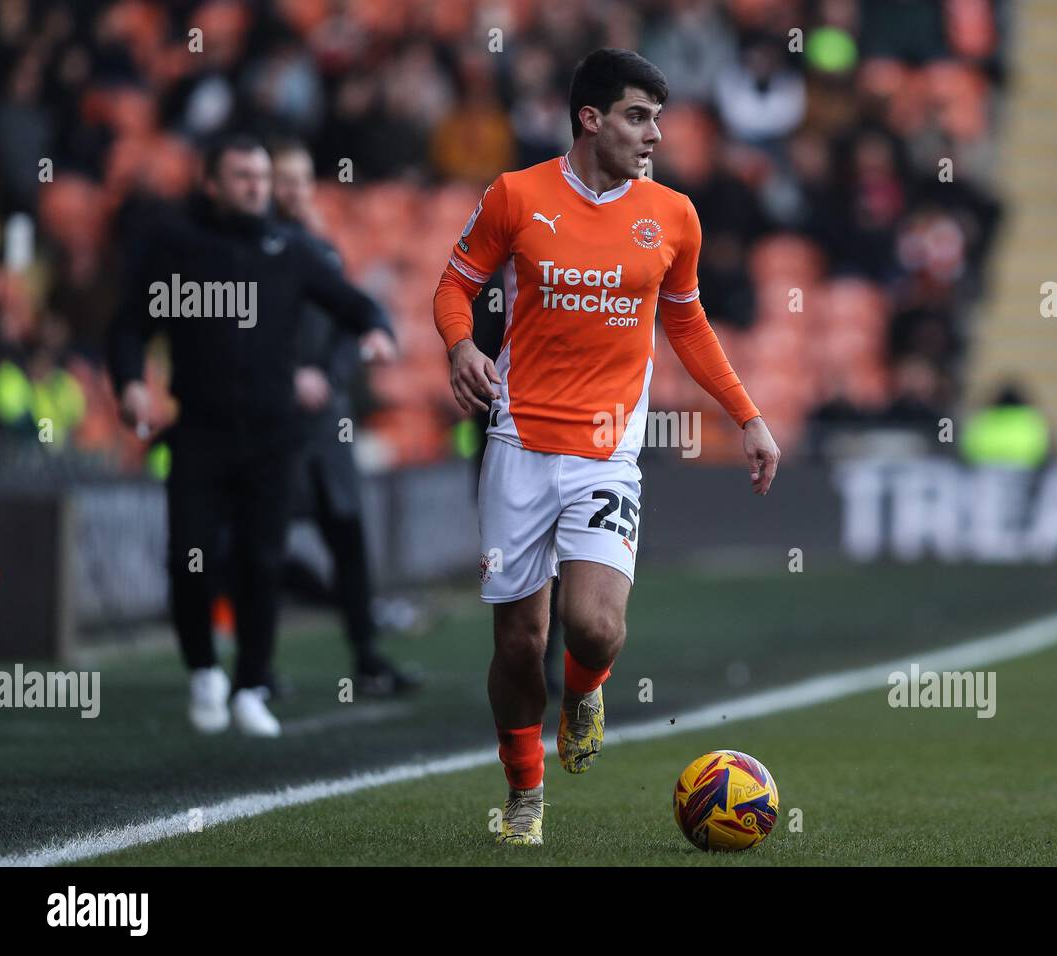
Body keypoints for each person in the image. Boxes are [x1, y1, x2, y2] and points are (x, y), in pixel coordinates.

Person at [432, 48, 780, 846]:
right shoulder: (516, 196)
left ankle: (586, 693)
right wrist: (460, 346)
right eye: (638, 116)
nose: (654, 134)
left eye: (657, 118)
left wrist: (747, 415)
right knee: (519, 643)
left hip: (606, 451)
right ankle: (525, 797)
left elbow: (686, 322)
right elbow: (456, 284)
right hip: (518, 442)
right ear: (590, 119)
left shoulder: (675, 215)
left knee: (595, 629)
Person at [109, 133, 397, 737]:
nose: (256, 188)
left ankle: (251, 683)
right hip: (199, 433)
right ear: (212, 184)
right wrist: (131, 382)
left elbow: (355, 304)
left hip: (273, 437)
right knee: (188, 556)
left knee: (262, 562)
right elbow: (130, 326)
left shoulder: (289, 251)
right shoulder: (178, 248)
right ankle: (203, 669)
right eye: (243, 176)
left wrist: (375, 330)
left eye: (262, 178)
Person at [270, 141, 422, 696]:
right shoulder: (247, 251)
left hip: (325, 423)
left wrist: (326, 379)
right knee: (261, 546)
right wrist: (287, 377)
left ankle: (366, 656)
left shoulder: (321, 251)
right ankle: (254, 669)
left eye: (301, 180)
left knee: (349, 542)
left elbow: (347, 323)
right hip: (272, 422)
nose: (294, 190)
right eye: (283, 179)